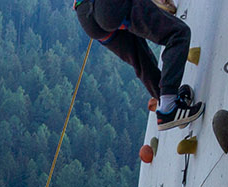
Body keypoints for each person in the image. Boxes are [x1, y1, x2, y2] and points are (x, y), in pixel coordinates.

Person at [74, 0, 203, 131]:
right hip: (108, 7)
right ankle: (169, 107)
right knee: (177, 34)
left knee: (141, 60)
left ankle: (168, 102)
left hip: (86, 17)